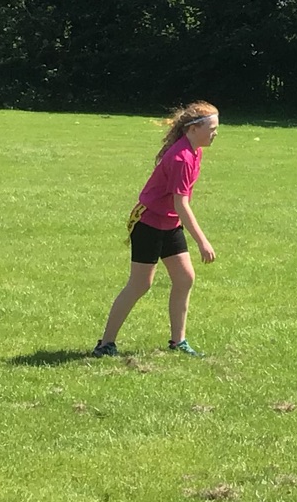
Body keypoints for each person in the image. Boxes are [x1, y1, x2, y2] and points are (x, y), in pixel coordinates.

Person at [92, 102, 219, 358]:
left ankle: (178, 342)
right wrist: (202, 241)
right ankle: (105, 344)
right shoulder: (181, 157)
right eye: (212, 129)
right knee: (140, 284)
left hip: (169, 223)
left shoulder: (195, 152)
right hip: (149, 223)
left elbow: (178, 205)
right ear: (193, 129)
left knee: (185, 278)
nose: (215, 133)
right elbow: (181, 203)